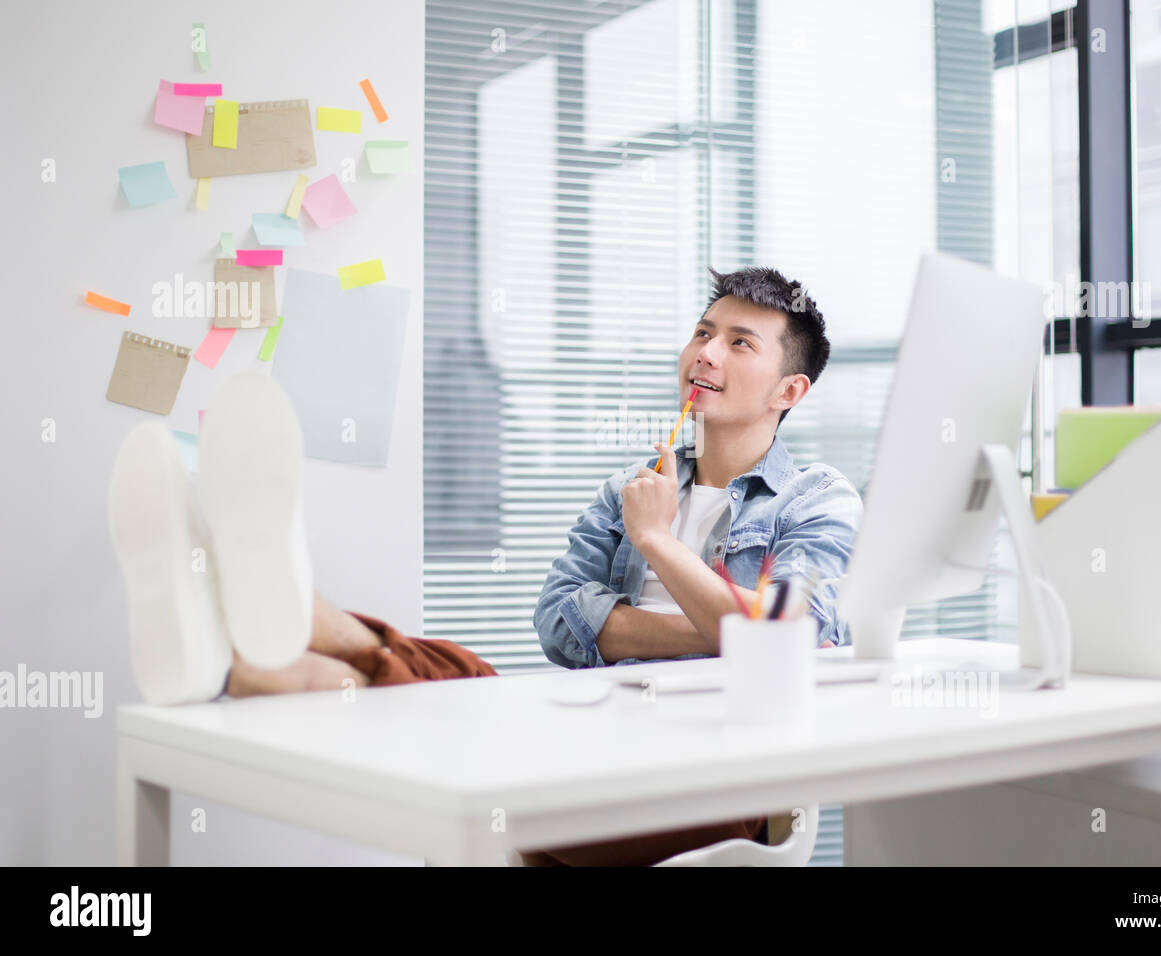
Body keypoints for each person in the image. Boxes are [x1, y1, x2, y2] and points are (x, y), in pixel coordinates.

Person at [108, 266, 860, 866]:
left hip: (719, 778)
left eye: (739, 343)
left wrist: (660, 547)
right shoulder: (632, 486)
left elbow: (792, 645)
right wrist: (718, 627)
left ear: (790, 391)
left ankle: (260, 626)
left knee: (458, 728)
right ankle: (238, 657)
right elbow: (559, 624)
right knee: (458, 685)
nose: (705, 352)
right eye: (703, 331)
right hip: (598, 741)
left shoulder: (814, 497)